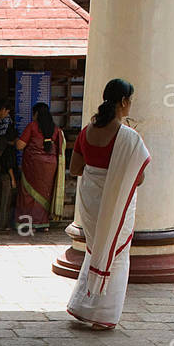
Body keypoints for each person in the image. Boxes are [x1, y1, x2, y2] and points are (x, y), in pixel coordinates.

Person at [66, 77, 150, 331]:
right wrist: (116, 178)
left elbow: (75, 169)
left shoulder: (87, 132)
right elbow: (140, 177)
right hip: (116, 201)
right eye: (130, 101)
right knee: (116, 252)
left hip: (91, 198)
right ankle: (104, 314)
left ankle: (83, 306)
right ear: (123, 102)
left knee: (96, 249)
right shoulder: (128, 138)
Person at [15, 101, 66, 232]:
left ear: (36, 114)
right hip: (50, 167)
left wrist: (14, 140)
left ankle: (27, 223)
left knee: (28, 194)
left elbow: (20, 145)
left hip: (33, 165)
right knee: (45, 194)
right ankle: (43, 223)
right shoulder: (56, 129)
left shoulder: (32, 126)